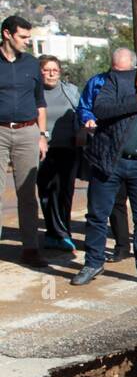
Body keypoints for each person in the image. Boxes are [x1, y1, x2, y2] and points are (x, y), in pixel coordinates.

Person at [72, 50, 137, 287]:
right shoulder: (118, 81)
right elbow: (100, 109)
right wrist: (136, 99)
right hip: (110, 160)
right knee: (97, 215)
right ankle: (93, 263)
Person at [79, 48, 137, 262]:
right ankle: (121, 246)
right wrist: (87, 119)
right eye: (114, 70)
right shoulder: (97, 82)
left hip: (134, 151)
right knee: (114, 202)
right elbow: (85, 106)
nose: (118, 75)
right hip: (105, 149)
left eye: (123, 71)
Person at [0, 15, 48, 267]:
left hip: (28, 132)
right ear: (7, 34)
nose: (27, 41)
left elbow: (40, 102)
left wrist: (42, 135)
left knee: (27, 193)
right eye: (23, 37)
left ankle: (30, 248)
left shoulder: (31, 64)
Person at [35, 56, 83, 252]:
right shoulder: (33, 93)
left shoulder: (70, 91)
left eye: (55, 70)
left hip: (68, 149)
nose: (51, 73)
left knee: (65, 191)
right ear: (39, 72)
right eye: (46, 70)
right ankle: (53, 233)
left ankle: (64, 232)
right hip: (43, 150)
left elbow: (81, 112)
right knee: (47, 192)